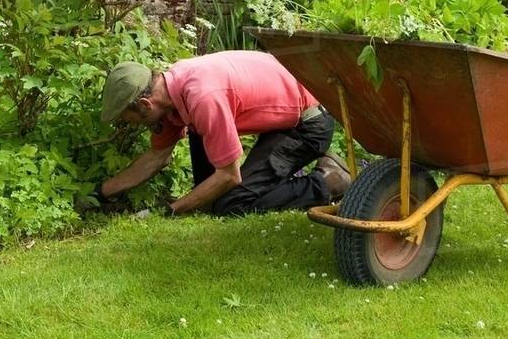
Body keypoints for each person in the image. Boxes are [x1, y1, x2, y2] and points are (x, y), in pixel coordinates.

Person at [92, 50, 352, 216]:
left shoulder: (203, 97)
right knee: (209, 200)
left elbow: (229, 176)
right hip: (282, 120)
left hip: (307, 125)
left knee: (231, 203)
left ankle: (330, 180)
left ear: (146, 105)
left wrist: (171, 210)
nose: (132, 126)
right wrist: (101, 192)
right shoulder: (172, 92)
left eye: (130, 120)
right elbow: (156, 157)